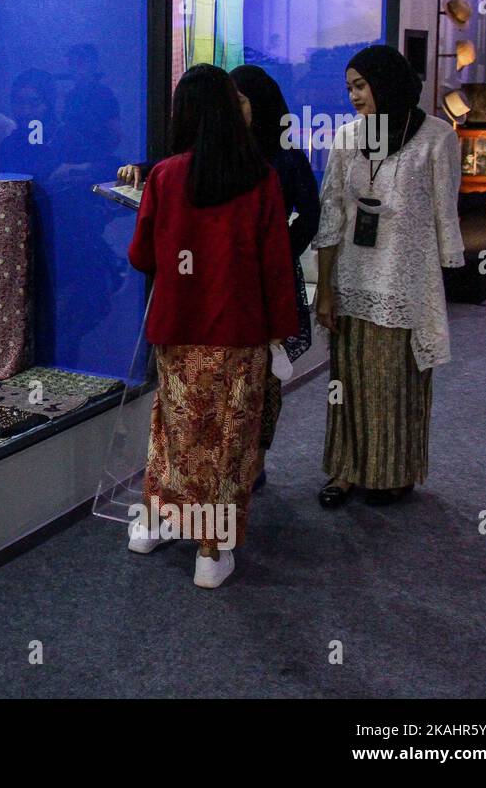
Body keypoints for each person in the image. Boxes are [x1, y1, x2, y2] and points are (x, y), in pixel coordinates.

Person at [126, 64, 298, 589]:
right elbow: (275, 265)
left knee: (174, 432)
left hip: (178, 330)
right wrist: (282, 335)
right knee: (228, 442)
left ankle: (152, 525)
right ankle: (209, 553)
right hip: (239, 333)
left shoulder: (166, 175)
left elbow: (140, 256)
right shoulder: (259, 177)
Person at [313, 45, 464, 508]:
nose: (354, 96)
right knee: (347, 381)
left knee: (394, 383)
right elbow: (332, 215)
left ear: (386, 82)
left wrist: (445, 277)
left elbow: (445, 213)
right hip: (353, 278)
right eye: (349, 88)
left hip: (404, 280)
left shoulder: (437, 138)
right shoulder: (346, 138)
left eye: (361, 85)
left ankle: (392, 472)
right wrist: (324, 289)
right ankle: (344, 469)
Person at [229, 65, 321, 491]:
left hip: (270, 280)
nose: (234, 108)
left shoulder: (286, 158)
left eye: (242, 99)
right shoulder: (222, 151)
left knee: (265, 374)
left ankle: (256, 462)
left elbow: (311, 213)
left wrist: (281, 251)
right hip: (227, 281)